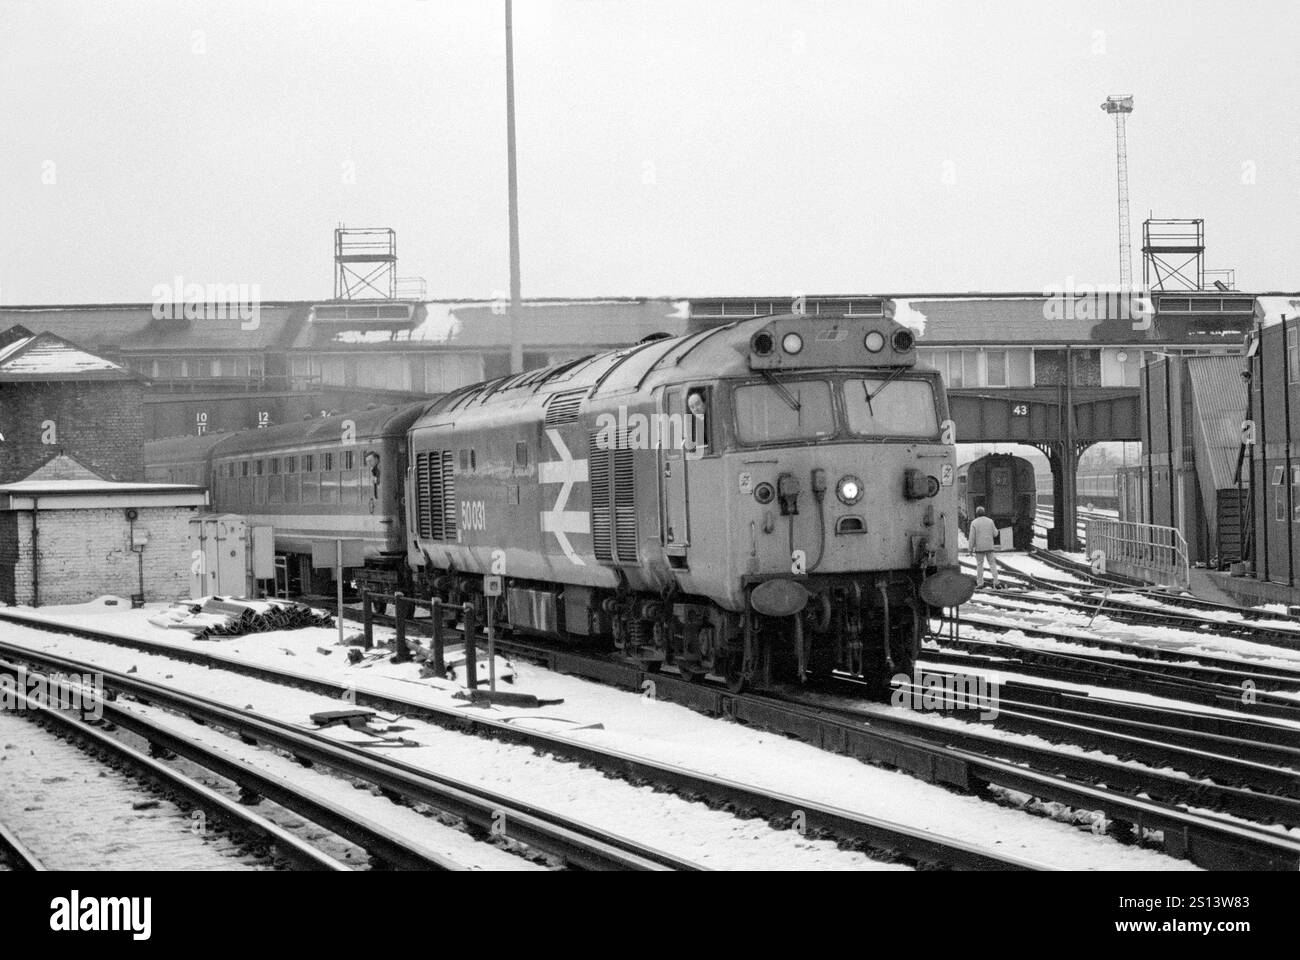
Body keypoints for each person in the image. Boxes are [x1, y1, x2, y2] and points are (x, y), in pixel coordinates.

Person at [968, 506, 1000, 589]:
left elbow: (972, 537)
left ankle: (980, 583)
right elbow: (995, 533)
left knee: (980, 565)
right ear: (984, 513)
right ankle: (996, 582)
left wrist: (970, 549)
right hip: (989, 547)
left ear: (976, 514)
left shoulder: (974, 523)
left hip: (979, 548)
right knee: (992, 564)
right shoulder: (990, 521)